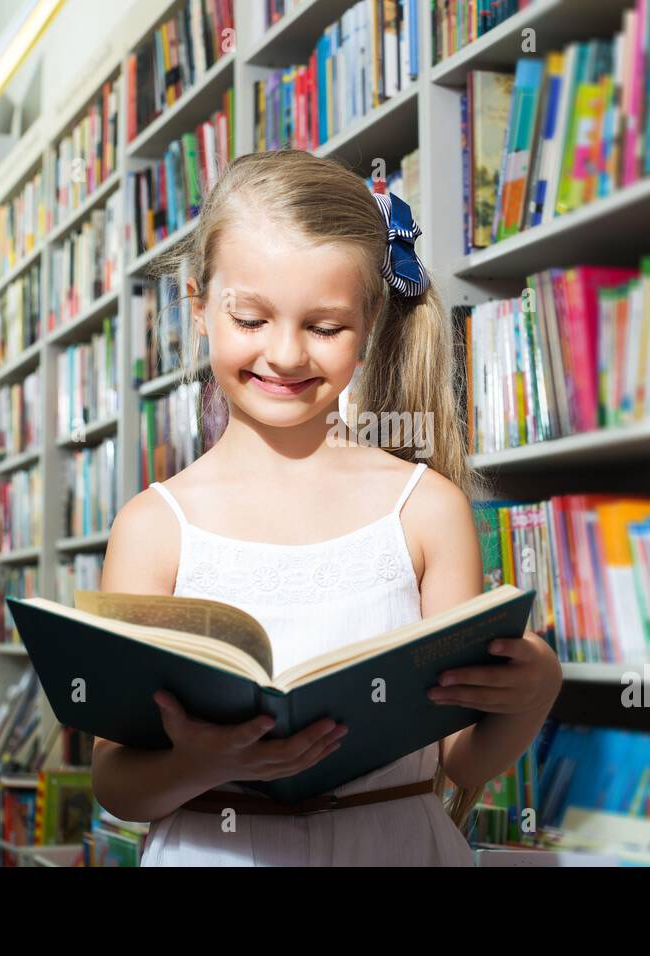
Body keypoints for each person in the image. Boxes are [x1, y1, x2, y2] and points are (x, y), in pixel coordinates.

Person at [95, 149, 563, 866]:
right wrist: (205, 762)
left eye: (324, 327)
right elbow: (117, 785)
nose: (284, 355)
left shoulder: (425, 510)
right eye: (250, 317)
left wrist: (534, 693)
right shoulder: (153, 527)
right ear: (197, 305)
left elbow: (460, 764)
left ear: (370, 322)